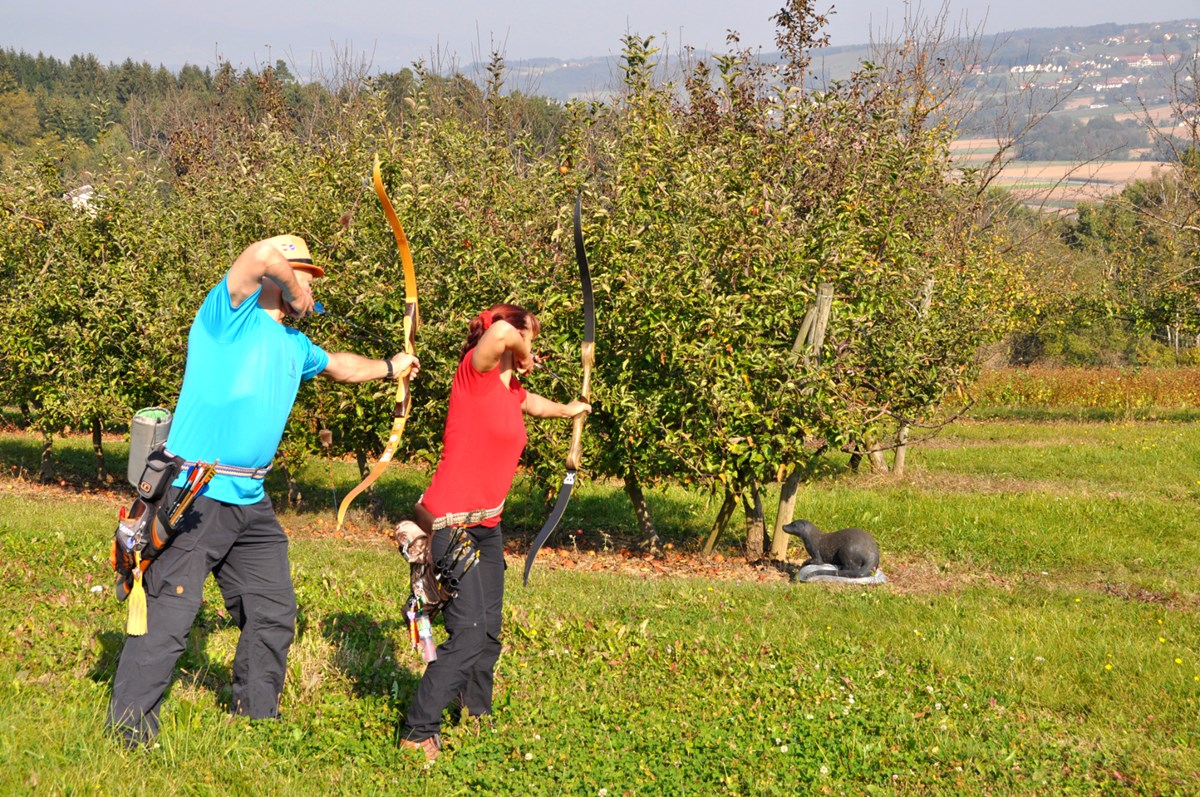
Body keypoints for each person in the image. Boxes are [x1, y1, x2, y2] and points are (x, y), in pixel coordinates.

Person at [107, 234, 419, 748]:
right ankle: (129, 730)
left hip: (251, 502)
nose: (308, 288)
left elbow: (341, 365)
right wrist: (295, 290)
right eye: (303, 276)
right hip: (195, 494)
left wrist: (390, 367)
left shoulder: (295, 346)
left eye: (309, 280)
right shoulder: (226, 317)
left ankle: (256, 716)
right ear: (284, 277)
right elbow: (259, 256)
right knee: (170, 615)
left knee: (272, 610)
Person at [399, 304, 589, 761]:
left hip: (487, 526)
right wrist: (520, 347)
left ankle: (476, 711)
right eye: (532, 336)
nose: (532, 345)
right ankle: (417, 729)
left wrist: (568, 409)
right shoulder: (475, 373)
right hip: (450, 525)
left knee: (489, 633)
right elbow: (503, 330)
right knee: (467, 635)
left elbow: (531, 404)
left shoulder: (510, 390)